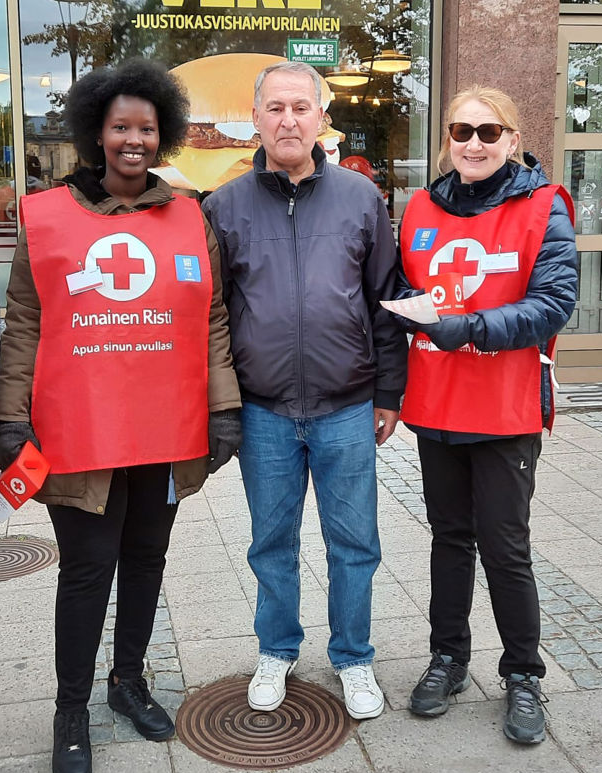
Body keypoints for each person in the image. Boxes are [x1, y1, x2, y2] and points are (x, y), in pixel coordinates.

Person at [0, 58, 240, 773]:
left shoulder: (191, 217)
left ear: (161, 137)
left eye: (147, 128)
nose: (134, 140)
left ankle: (127, 681)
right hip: (80, 438)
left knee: (147, 562)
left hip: (164, 435)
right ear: (96, 135)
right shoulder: (45, 217)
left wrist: (224, 405)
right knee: (86, 572)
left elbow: (213, 319)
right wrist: (10, 420)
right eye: (120, 127)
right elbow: (23, 326)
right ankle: (71, 711)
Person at [201, 61, 406, 721]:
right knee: (271, 542)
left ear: (321, 118)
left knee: (354, 543)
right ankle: (277, 650)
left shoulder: (360, 199)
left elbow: (386, 302)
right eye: (275, 108)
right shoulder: (224, 207)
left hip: (346, 407)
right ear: (255, 119)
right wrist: (222, 403)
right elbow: (214, 316)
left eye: (300, 107)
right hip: (264, 411)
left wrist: (389, 392)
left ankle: (353, 657)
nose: (288, 120)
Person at [393, 86, 576, 744]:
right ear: (447, 137)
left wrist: (466, 326)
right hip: (437, 404)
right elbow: (404, 289)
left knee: (505, 548)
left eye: (488, 132)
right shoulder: (419, 207)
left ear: (514, 139)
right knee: (449, 540)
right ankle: (448, 658)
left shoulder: (542, 207)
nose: (473, 142)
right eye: (461, 129)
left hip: (506, 408)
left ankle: (523, 675)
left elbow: (553, 302)